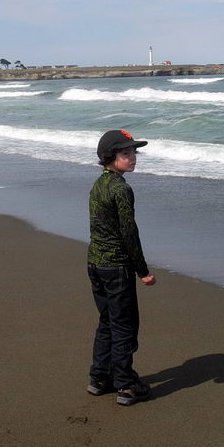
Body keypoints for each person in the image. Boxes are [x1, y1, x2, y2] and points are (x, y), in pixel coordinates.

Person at [86, 129, 157, 406]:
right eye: (126, 153)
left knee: (107, 321)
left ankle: (99, 377)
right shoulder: (120, 189)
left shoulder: (99, 184)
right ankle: (126, 385)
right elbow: (129, 233)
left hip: (95, 263)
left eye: (134, 152)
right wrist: (143, 271)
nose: (133, 158)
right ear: (110, 157)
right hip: (116, 267)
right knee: (124, 324)